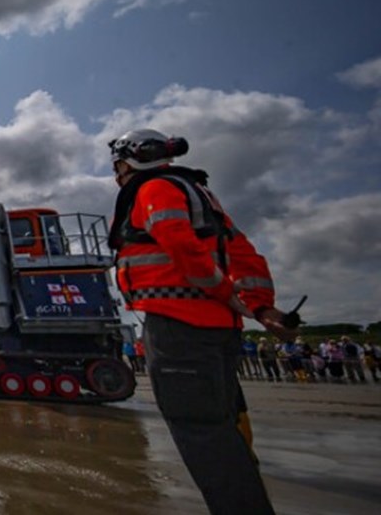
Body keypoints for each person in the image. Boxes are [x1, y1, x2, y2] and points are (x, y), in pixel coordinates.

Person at [108, 129, 297, 514]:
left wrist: (222, 292)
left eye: (118, 167)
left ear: (127, 163)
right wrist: (260, 307)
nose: (117, 176)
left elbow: (179, 244)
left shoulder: (154, 190)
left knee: (203, 434)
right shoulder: (202, 196)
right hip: (219, 329)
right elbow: (244, 253)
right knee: (224, 428)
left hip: (180, 326)